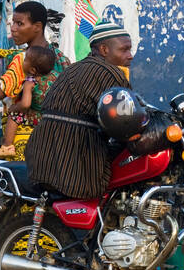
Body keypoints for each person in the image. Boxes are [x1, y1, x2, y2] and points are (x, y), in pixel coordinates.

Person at [24, 20, 134, 200]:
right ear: (104, 50)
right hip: (72, 162)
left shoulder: (76, 67)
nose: (130, 55)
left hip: (42, 157)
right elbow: (129, 117)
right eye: (124, 49)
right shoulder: (109, 72)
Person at [0, 0, 68, 156]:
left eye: (19, 24)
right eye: (13, 23)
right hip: (59, 138)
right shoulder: (59, 57)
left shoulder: (23, 59)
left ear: (37, 27)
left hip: (28, 143)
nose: (13, 28)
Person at [0, 44, 59, 158]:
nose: (23, 61)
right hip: (53, 115)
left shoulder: (30, 82)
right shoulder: (55, 76)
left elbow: (25, 104)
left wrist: (13, 108)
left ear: (32, 70)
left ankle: (7, 146)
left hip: (39, 116)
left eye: (25, 59)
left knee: (15, 116)